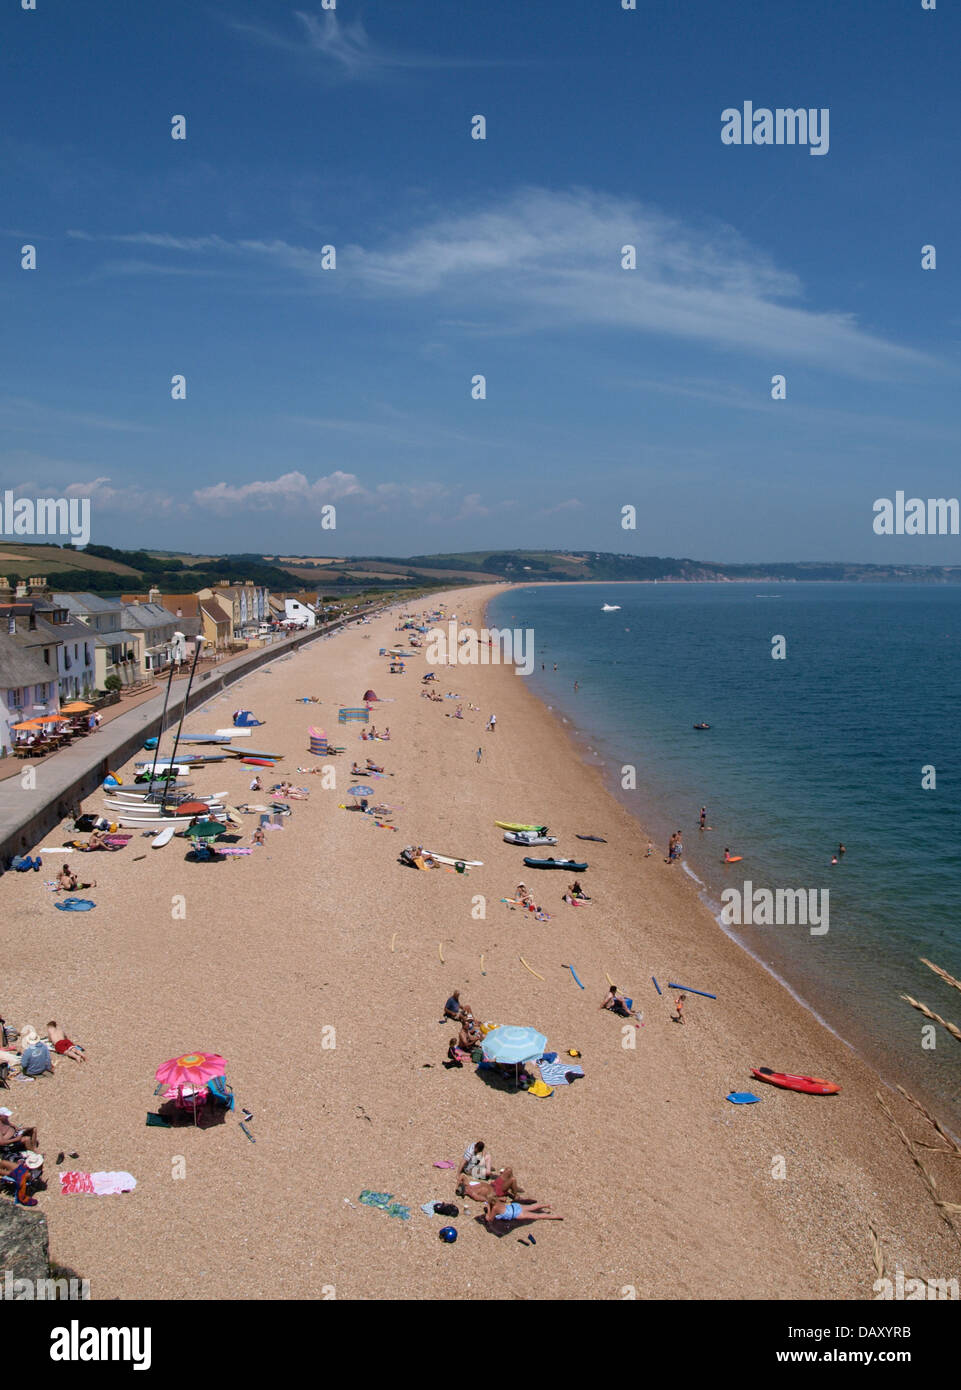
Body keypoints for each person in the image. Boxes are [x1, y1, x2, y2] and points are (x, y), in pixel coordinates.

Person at [483, 1196, 562, 1227]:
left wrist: (488, 1210)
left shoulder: (494, 1208)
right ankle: (547, 1205)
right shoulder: (498, 1201)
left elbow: (489, 1219)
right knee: (532, 1207)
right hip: (514, 1206)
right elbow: (504, 1199)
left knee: (537, 1216)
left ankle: (557, 1217)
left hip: (515, 1213)